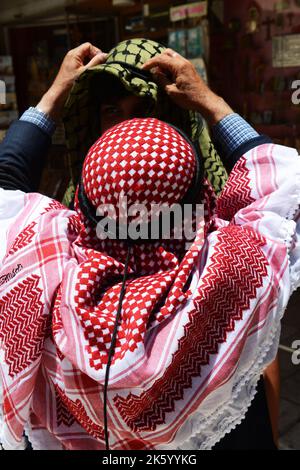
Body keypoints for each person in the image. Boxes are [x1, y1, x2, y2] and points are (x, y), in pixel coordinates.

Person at [1, 44, 296, 450]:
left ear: (85, 201)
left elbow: (5, 191)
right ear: (200, 191)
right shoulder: (234, 263)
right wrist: (211, 102)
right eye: (112, 112)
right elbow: (283, 184)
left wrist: (52, 98)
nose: (129, 126)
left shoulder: (42, 259)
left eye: (145, 109)